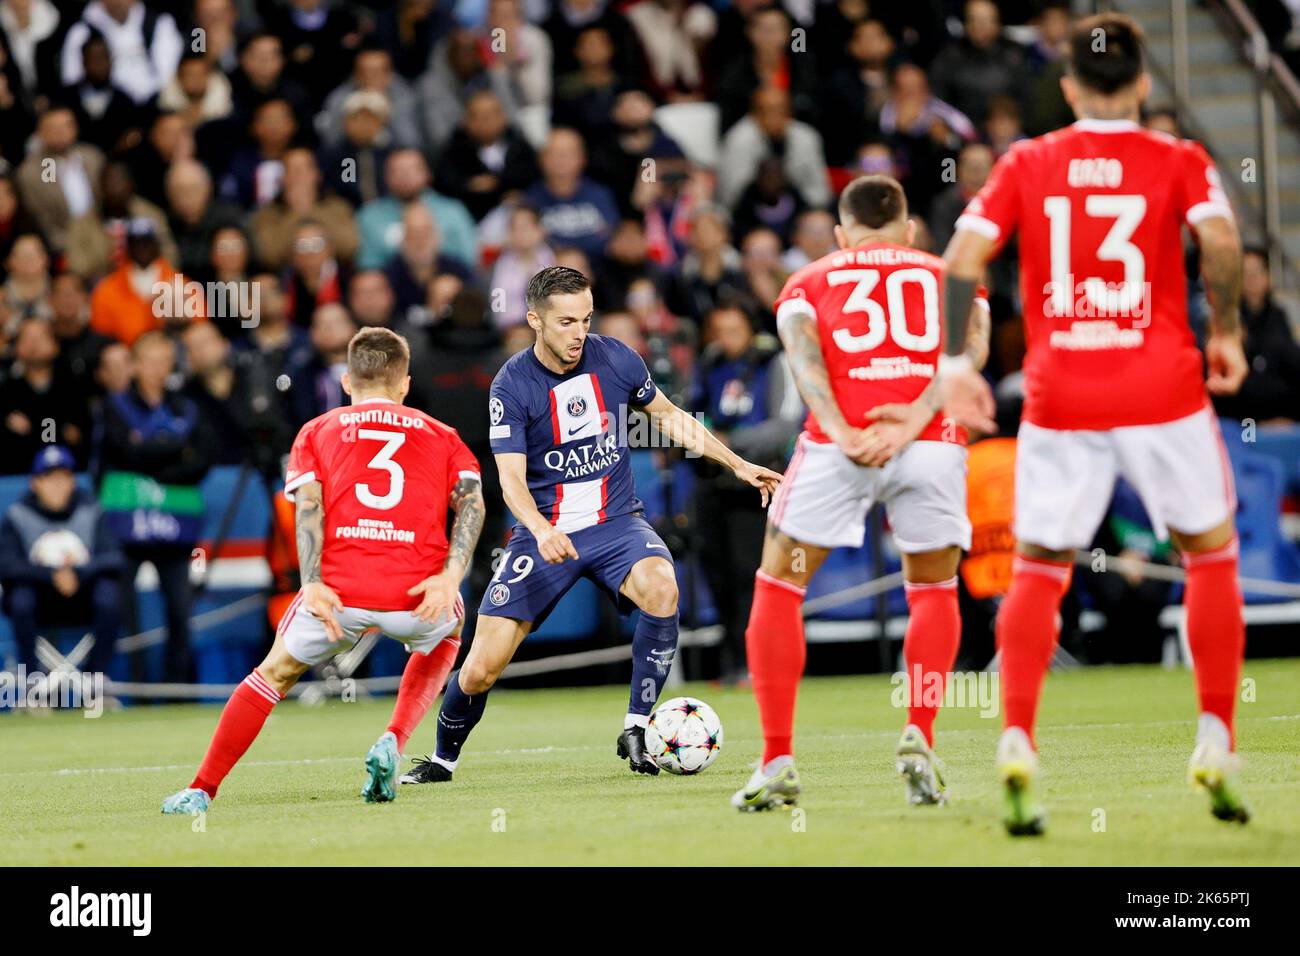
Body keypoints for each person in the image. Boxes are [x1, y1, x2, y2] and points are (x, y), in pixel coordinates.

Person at [941, 12, 1251, 833]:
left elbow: (963, 260)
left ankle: (1016, 738)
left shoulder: (1028, 161)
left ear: (1070, 85)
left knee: (1041, 567)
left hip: (1062, 393)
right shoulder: (1178, 158)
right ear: (1146, 81)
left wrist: (954, 364)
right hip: (1164, 391)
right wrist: (1224, 331)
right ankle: (1217, 737)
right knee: (1211, 555)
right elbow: (1220, 241)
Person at [399, 266, 781, 783]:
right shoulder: (510, 384)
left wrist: (737, 465)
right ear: (535, 320)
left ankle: (638, 726)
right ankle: (443, 760)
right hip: (544, 533)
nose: (578, 333)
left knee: (661, 589)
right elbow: (509, 479)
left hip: (616, 523)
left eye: (585, 319)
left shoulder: (617, 357)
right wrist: (538, 528)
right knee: (481, 666)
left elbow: (668, 416)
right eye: (565, 322)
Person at [730, 175, 990, 812]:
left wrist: (845, 430)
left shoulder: (810, 279)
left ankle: (776, 759)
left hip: (834, 449)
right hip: (930, 445)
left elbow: (802, 357)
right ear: (908, 230)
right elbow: (970, 353)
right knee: (932, 588)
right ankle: (920, 736)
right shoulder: (949, 274)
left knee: (780, 585)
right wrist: (911, 419)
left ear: (843, 235)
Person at [161, 327, 487, 814]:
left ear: (347, 383)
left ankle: (201, 790)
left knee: (270, 676)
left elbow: (308, 508)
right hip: (417, 594)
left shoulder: (317, 430)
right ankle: (394, 740)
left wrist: (310, 582)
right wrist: (450, 575)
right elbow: (473, 505)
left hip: (338, 593)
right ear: (404, 384)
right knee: (449, 633)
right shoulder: (443, 435)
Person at [690, 302, 802, 683]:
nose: (726, 340)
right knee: (717, 576)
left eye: (734, 331)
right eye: (719, 332)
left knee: (749, 575)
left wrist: (731, 441)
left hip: (757, 485)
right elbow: (691, 412)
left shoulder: (775, 362)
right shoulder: (708, 364)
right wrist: (703, 442)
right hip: (712, 482)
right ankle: (733, 663)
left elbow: (787, 423)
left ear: (750, 330)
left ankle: (762, 664)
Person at [99, 332, 215, 685]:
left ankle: (176, 689)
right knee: (124, 610)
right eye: (150, 360)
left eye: (165, 361)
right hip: (127, 527)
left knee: (180, 610)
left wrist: (151, 458)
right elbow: (121, 452)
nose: (158, 368)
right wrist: (175, 453)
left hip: (175, 528)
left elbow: (202, 461)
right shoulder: (115, 405)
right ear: (134, 365)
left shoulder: (187, 407)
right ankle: (135, 688)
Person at [0, 445, 123, 677]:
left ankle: (96, 680)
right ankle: (32, 682)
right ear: (34, 483)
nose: (57, 485)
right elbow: (6, 565)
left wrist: (77, 574)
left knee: (110, 595)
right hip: (40, 600)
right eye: (49, 477)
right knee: (20, 598)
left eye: (64, 477)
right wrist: (51, 576)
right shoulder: (18, 515)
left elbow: (114, 557)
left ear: (73, 481)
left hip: (82, 597)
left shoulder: (91, 510)